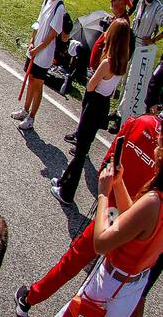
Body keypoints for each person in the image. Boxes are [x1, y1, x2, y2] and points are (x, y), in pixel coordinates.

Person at [1, 132, 163, 317]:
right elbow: (136, 221)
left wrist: (104, 194)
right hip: (126, 291)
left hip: (104, 291)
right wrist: (120, 185)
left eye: (158, 145)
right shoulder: (154, 202)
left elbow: (101, 243)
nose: (154, 149)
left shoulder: (154, 200)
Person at [18, 113, 160, 317]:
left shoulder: (140, 122)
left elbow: (108, 161)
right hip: (141, 230)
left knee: (73, 261)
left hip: (112, 210)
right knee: (110, 286)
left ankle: (30, 299)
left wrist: (106, 193)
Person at [54, 20, 130, 205]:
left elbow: (90, 86)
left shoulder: (107, 62)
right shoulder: (122, 63)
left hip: (94, 102)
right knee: (84, 146)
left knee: (80, 151)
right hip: (103, 104)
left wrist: (92, 77)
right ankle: (64, 180)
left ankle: (67, 192)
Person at [13, 0, 68, 132]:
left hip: (43, 54)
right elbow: (37, 24)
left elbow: (52, 34)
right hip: (34, 49)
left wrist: (38, 48)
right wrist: (31, 42)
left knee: (38, 84)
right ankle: (25, 110)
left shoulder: (59, 7)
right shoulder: (46, 1)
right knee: (30, 78)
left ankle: (32, 117)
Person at [121, 0, 163, 118]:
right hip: (133, 40)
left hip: (143, 46)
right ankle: (119, 109)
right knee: (124, 76)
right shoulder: (140, 1)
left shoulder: (158, 7)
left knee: (134, 78)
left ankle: (124, 113)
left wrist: (153, 39)